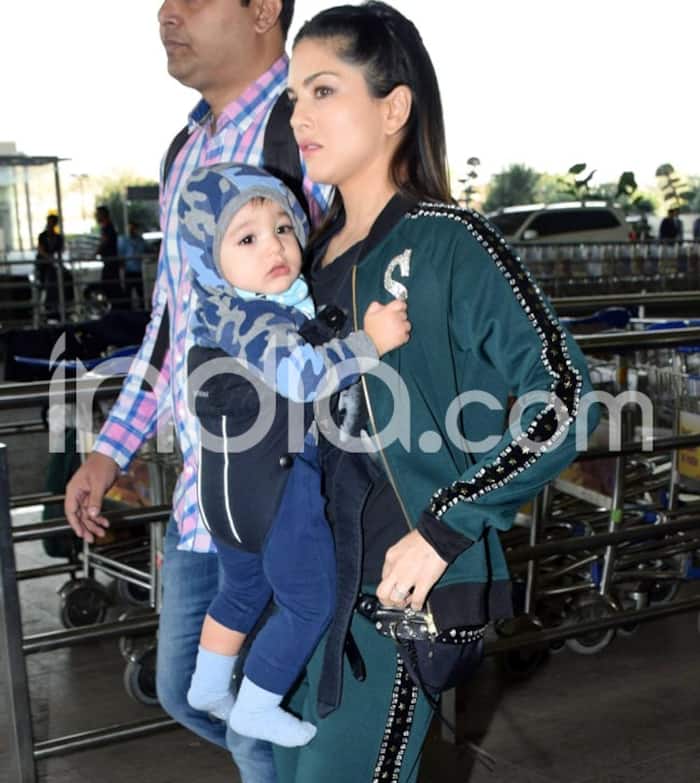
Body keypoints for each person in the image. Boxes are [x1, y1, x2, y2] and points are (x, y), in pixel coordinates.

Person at [272, 3, 596, 780]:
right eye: (293, 96)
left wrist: (446, 524)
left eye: (323, 90)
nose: (299, 115)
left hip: (396, 596)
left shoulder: (450, 240)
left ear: (393, 109)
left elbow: (565, 394)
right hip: (304, 594)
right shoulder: (306, 257)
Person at [64, 2, 327, 781]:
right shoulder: (185, 150)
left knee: (256, 723)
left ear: (262, 10)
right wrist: (110, 450)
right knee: (185, 688)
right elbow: (170, 321)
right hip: (208, 487)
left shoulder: (307, 123)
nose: (165, 12)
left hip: (282, 479)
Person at [180, 162, 409, 748]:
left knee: (242, 591)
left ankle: (208, 685)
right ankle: (257, 704)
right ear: (208, 256)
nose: (275, 246)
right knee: (311, 601)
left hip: (226, 492)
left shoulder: (219, 310)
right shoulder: (257, 318)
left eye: (283, 228)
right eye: (246, 238)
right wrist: (370, 343)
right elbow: (304, 377)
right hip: (278, 487)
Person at [35, 212, 65, 314]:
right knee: (44, 282)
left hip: (52, 264)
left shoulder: (58, 237)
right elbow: (41, 250)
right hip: (43, 264)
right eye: (49, 222)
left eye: (52, 223)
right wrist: (50, 258)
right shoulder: (42, 236)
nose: (50, 225)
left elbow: (60, 252)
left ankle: (53, 304)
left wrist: (56, 261)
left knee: (55, 280)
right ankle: (42, 306)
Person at [118, 221, 147, 308]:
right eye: (130, 228)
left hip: (137, 270)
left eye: (133, 228)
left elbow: (147, 249)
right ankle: (128, 309)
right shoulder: (123, 240)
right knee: (128, 292)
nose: (131, 230)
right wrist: (122, 267)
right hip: (128, 270)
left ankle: (142, 308)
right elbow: (121, 254)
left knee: (140, 292)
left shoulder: (140, 241)